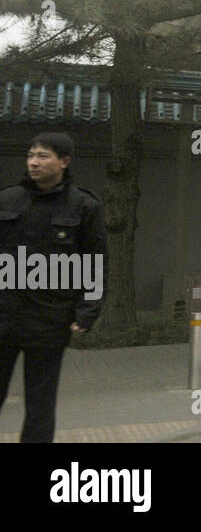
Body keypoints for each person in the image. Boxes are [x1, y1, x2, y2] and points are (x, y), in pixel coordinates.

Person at [0, 132, 107, 442]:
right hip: (4, 317)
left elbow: (95, 262)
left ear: (64, 162)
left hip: (49, 320)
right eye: (31, 155)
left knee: (40, 404)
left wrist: (88, 311)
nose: (34, 162)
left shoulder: (84, 206)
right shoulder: (6, 200)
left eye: (43, 156)